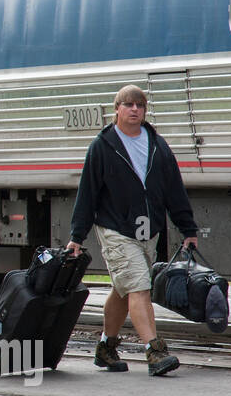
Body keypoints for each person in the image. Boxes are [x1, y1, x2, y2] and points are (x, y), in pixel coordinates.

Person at [66, 84, 198, 376]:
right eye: (128, 105)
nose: (135, 109)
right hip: (115, 228)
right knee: (139, 287)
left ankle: (106, 347)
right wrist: (77, 236)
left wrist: (187, 227)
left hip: (147, 230)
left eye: (140, 105)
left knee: (124, 289)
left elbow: (174, 189)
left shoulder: (156, 144)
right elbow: (87, 193)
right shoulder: (102, 146)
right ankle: (155, 351)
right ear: (117, 109)